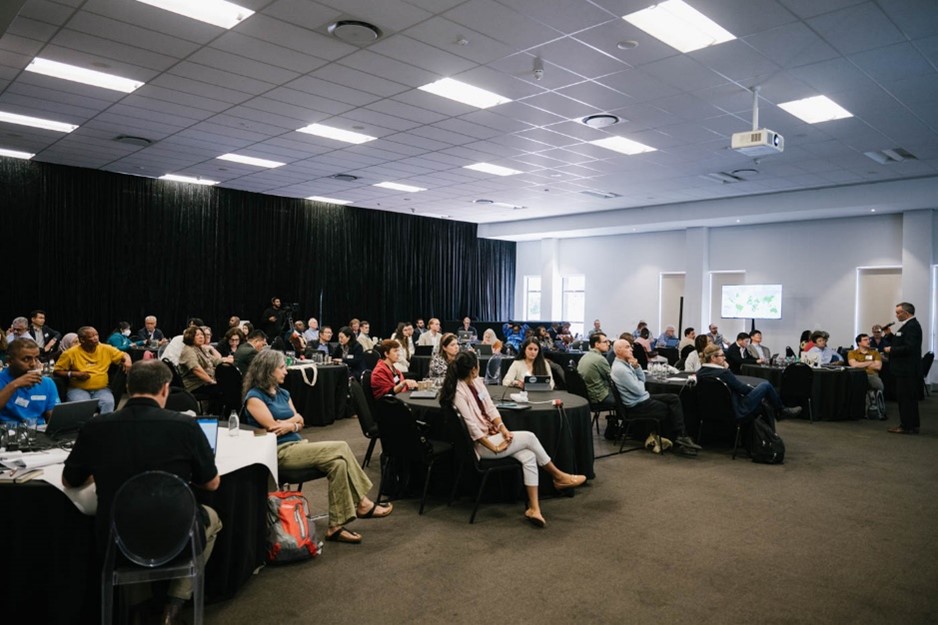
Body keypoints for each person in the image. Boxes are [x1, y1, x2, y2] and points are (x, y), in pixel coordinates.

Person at [62, 360, 221, 625]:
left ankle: (137, 609)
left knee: (128, 520)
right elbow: (212, 484)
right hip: (177, 538)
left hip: (115, 542)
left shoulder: (95, 426)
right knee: (212, 518)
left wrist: (102, 467)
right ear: (166, 389)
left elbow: (70, 481)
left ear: (127, 387)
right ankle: (173, 606)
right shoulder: (185, 425)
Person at [242, 349, 390, 543]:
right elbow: (272, 427)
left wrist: (290, 424)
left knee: (339, 464)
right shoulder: (254, 397)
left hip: (298, 445)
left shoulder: (283, 393)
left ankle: (335, 527)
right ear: (268, 370)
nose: (286, 371)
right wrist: (291, 423)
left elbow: (300, 420)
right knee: (341, 447)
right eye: (281, 368)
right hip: (278, 452)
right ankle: (363, 502)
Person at [441, 351, 585, 528]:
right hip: (481, 446)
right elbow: (472, 428)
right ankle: (558, 476)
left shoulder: (477, 383)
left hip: (492, 435)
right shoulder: (458, 391)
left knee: (529, 456)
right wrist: (493, 446)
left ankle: (534, 508)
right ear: (473, 369)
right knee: (530, 437)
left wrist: (503, 429)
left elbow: (491, 408)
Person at [610, 339, 702, 456]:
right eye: (628, 347)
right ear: (618, 350)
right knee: (669, 409)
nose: (631, 349)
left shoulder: (627, 364)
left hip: (642, 398)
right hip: (637, 405)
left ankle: (681, 436)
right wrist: (639, 382)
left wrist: (637, 366)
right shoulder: (621, 369)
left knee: (674, 398)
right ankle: (679, 442)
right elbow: (639, 389)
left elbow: (642, 380)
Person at [696, 344, 801, 428]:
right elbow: (742, 389)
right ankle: (781, 411)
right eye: (722, 355)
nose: (725, 358)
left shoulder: (699, 373)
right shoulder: (724, 373)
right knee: (765, 385)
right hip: (735, 410)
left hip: (710, 411)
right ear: (713, 358)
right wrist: (755, 390)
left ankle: (779, 411)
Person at [54, 326, 131, 414]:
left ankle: (103, 426)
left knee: (109, 403)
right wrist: (74, 374)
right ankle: (86, 427)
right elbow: (56, 371)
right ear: (82, 340)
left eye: (97, 335)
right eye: (92, 336)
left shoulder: (106, 348)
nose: (96, 338)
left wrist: (128, 360)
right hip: (78, 388)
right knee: (85, 406)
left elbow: (124, 354)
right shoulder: (70, 353)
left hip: (101, 389)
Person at [0, 338, 60, 425]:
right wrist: (15, 384)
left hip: (37, 431)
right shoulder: (2, 379)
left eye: (36, 358)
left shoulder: (47, 383)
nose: (33, 364)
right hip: (8, 432)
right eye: (26, 359)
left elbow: (53, 417)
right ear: (9, 361)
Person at [884, 302, 923, 434]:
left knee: (906, 399)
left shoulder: (912, 326)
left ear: (906, 313)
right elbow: (902, 341)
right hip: (906, 369)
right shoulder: (909, 326)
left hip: (907, 369)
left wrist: (891, 349)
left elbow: (909, 348)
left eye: (898, 312)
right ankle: (911, 425)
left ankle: (907, 426)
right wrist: (890, 336)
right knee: (908, 398)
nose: (896, 315)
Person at [178, 326, 231, 412]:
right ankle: (214, 414)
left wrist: (227, 361)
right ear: (190, 337)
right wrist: (211, 381)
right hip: (195, 385)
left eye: (202, 334)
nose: (201, 337)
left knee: (227, 385)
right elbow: (196, 369)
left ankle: (216, 412)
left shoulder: (201, 348)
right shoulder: (189, 350)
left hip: (203, 383)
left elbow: (214, 360)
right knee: (223, 389)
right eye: (197, 335)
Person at [577, 333, 615, 409]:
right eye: (605, 342)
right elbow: (612, 379)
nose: (608, 344)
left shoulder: (585, 356)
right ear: (597, 344)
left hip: (587, 395)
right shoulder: (600, 359)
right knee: (624, 399)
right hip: (598, 397)